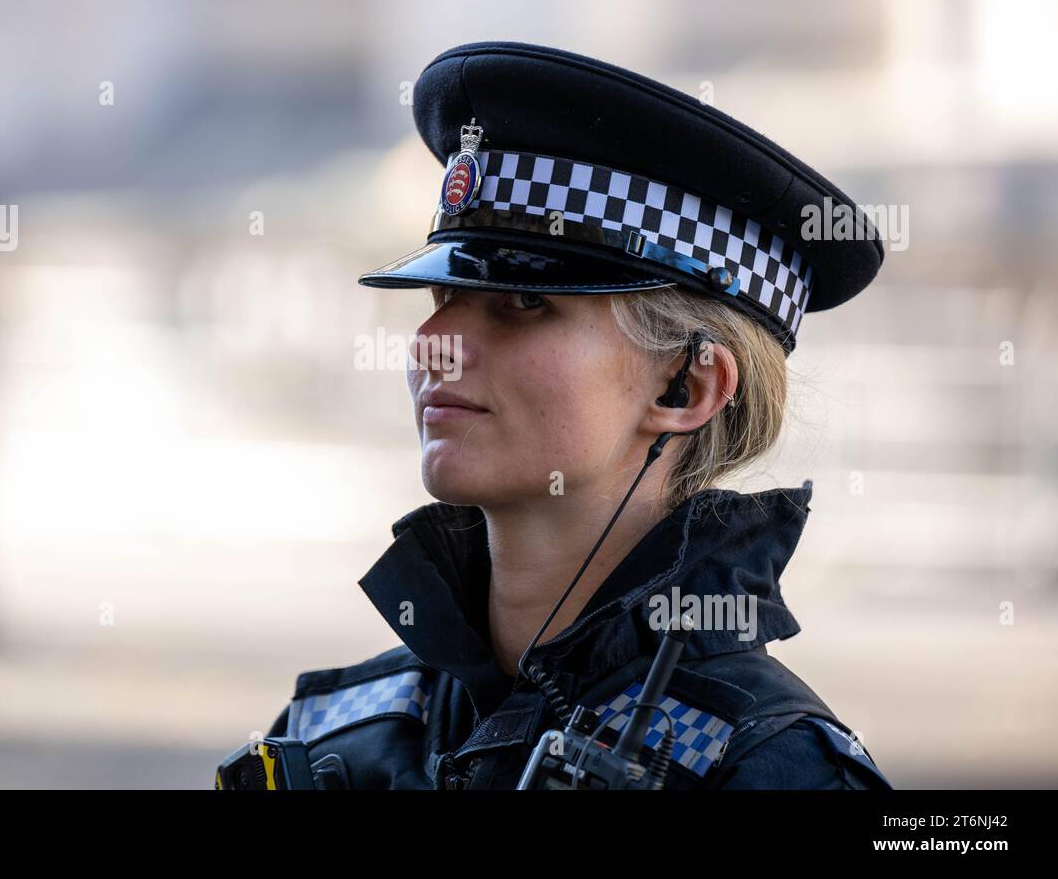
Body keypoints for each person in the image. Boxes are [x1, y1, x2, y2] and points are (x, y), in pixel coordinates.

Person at [246, 41, 893, 789]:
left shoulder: (770, 772)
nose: (433, 344)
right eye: (442, 299)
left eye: (524, 302)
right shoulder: (331, 738)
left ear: (685, 388)